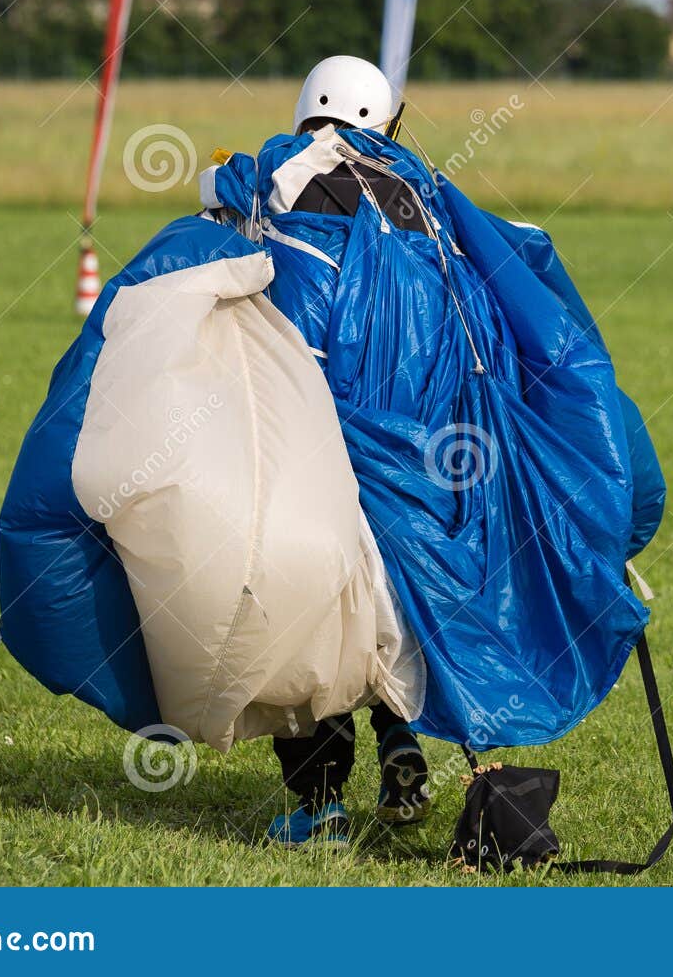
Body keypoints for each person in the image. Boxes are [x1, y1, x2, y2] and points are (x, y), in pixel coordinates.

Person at [254, 56, 432, 846]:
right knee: (394, 587)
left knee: (303, 606)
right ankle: (401, 735)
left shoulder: (278, 180)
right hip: (414, 434)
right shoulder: (420, 198)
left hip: (307, 421)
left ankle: (318, 801)